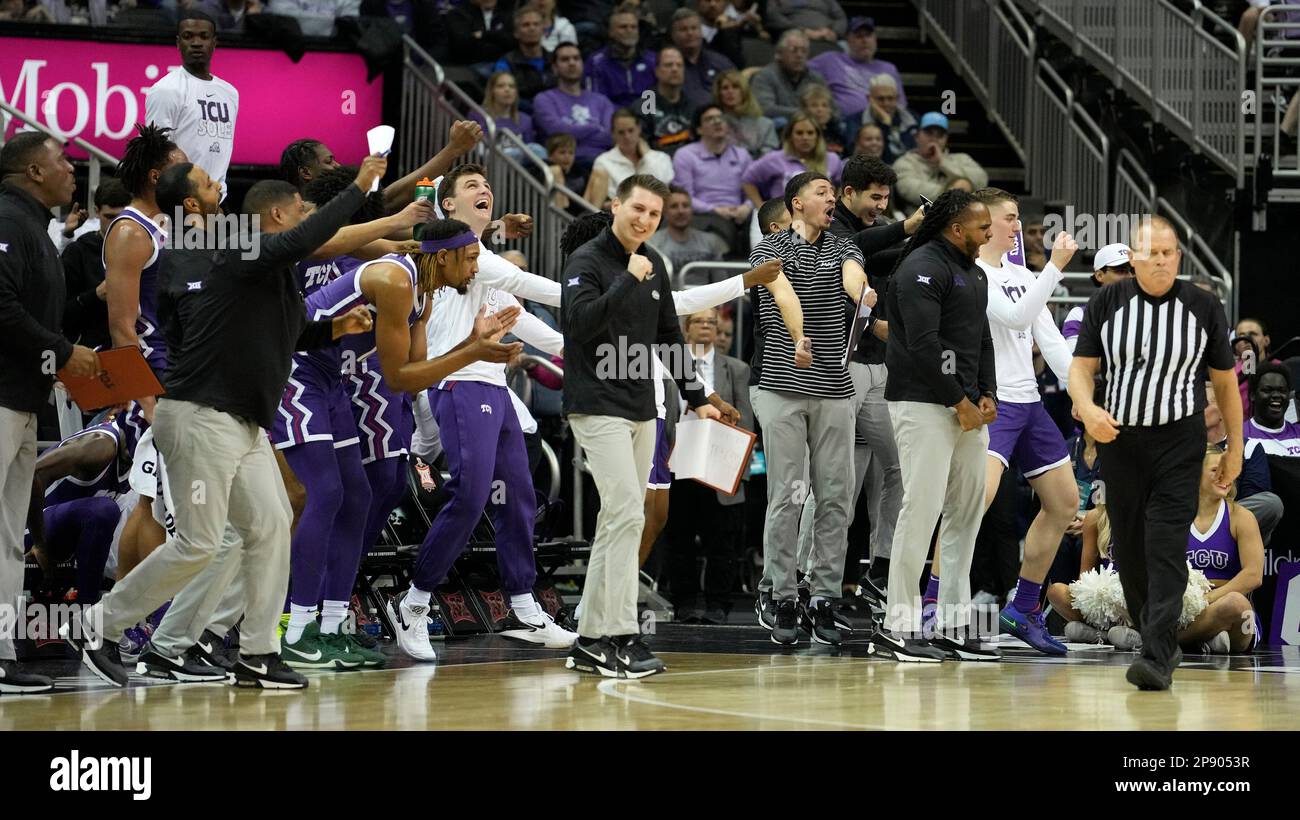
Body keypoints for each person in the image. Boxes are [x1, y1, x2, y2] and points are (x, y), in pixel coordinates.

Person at [389, 165, 581, 662]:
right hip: (452, 385)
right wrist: (595, 298)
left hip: (492, 388)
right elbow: (531, 285)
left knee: (518, 497)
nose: (486, 191)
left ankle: (522, 606)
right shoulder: (442, 250)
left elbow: (526, 322)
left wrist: (579, 350)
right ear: (447, 205)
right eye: (472, 186)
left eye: (487, 186)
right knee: (469, 497)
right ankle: (413, 603)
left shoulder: (483, 259)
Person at [1068, 215, 1242, 691]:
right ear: (1134, 257)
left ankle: (1158, 654)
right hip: (1119, 439)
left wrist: (1235, 446)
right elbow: (1081, 370)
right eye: (1151, 253)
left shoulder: (1204, 306)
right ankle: (1156, 634)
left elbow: (1225, 385)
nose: (1160, 260)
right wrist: (1088, 409)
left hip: (1179, 441)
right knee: (1127, 543)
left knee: (1164, 543)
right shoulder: (1107, 300)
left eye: (1168, 253)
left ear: (1178, 257)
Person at [560, 174, 721, 678]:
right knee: (628, 513)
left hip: (640, 406)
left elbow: (669, 335)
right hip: (595, 403)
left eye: (654, 213)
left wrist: (699, 398)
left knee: (620, 520)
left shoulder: (656, 267)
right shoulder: (586, 261)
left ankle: (590, 637)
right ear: (615, 205)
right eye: (639, 209)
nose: (646, 220)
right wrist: (627, 278)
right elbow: (578, 325)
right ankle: (619, 632)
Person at [923, 188, 1079, 659]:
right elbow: (1015, 315)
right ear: (984, 222)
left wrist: (1085, 398)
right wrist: (1054, 268)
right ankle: (932, 603)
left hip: (1029, 403)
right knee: (974, 503)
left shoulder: (1022, 275)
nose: (1017, 227)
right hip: (992, 403)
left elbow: (1048, 341)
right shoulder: (973, 274)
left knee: (1064, 502)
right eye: (1010, 219)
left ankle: (1023, 608)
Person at [750, 171, 873, 648]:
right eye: (821, 192)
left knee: (836, 496)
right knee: (787, 495)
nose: (830, 198)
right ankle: (779, 594)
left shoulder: (843, 245)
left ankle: (822, 596)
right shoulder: (770, 248)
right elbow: (783, 295)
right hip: (782, 385)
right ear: (796, 203)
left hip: (835, 389)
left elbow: (853, 278)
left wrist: (863, 295)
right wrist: (800, 337)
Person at [871, 189, 995, 663]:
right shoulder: (919, 266)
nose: (990, 235)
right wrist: (959, 401)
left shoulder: (975, 274)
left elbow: (982, 339)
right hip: (922, 404)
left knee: (966, 513)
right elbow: (922, 345)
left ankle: (951, 623)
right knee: (919, 512)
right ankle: (896, 626)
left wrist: (987, 393)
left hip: (965, 405)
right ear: (956, 228)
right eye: (983, 228)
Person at [0, 132, 101, 694]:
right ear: (33, 171)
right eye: (62, 160)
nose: (71, 168)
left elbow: (42, 317)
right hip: (2, 398)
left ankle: (3, 652)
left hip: (22, 402)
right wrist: (63, 353)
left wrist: (64, 347)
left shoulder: (34, 228)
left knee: (8, 535)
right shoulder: (9, 222)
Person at [1048, 447, 1264, 655]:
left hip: (1216, 606)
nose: (1224, 476)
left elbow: (1253, 575)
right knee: (1056, 591)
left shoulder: (1241, 518)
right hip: (1176, 608)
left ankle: (1138, 638)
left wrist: (1208, 596)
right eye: (1215, 470)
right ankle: (1196, 639)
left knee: (1237, 605)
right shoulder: (1171, 515)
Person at [279, 121, 485, 215]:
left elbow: (391, 201)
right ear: (306, 172)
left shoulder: (349, 211)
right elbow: (393, 199)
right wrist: (453, 149)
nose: (338, 165)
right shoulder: (299, 218)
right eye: (329, 161)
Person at [145, 11, 238, 200]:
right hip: (179, 200)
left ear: (214, 42)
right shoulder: (166, 89)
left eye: (204, 36)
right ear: (178, 43)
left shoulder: (230, 93)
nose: (196, 42)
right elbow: (155, 154)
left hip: (217, 199)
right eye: (188, 36)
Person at [670, 104, 753, 251]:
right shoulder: (685, 155)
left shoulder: (742, 155)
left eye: (720, 118)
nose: (717, 122)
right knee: (715, 230)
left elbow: (753, 191)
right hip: (703, 215)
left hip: (740, 214)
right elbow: (685, 197)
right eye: (709, 119)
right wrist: (715, 209)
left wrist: (746, 207)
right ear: (699, 129)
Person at [61, 178, 131, 351]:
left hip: (139, 347)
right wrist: (95, 295)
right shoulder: (78, 252)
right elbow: (61, 314)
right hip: (92, 351)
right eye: (110, 217)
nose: (117, 223)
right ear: (96, 211)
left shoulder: (148, 249)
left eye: (123, 217)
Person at [533, 43, 617, 174]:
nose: (572, 63)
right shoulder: (544, 99)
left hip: (603, 164)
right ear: (554, 68)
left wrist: (574, 134)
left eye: (576, 58)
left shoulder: (602, 101)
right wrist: (594, 127)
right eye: (565, 59)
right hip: (566, 166)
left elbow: (611, 136)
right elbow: (556, 132)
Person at [809, 16, 906, 127]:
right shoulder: (830, 60)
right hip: (845, 125)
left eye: (868, 36)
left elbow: (901, 105)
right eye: (859, 36)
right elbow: (799, 67)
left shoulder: (889, 68)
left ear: (875, 39)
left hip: (882, 125)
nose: (864, 41)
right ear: (848, 40)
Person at [892, 112, 989, 212]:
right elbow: (912, 191)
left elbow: (982, 180)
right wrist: (957, 189)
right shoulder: (904, 163)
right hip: (922, 220)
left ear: (946, 139)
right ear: (917, 136)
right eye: (929, 133)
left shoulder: (962, 158)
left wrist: (943, 162)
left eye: (940, 135)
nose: (934, 138)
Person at [741, 113, 842, 206]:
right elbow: (747, 180)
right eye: (799, 133)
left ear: (818, 136)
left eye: (810, 133)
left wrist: (835, 208)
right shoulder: (774, 158)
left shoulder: (832, 159)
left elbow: (842, 185)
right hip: (783, 220)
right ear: (790, 136)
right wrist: (760, 206)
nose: (805, 137)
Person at [585, 109, 675, 207]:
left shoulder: (661, 158)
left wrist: (647, 156)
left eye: (631, 130)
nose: (627, 136)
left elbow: (662, 189)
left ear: (639, 129)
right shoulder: (603, 161)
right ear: (613, 134)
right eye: (621, 132)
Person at [749, 30, 833, 128]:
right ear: (779, 54)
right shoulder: (765, 76)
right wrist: (806, 113)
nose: (799, 55)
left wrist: (825, 114)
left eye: (804, 51)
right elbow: (765, 108)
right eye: (794, 50)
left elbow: (833, 107)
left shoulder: (816, 78)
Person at [1060, 242, 1132, 352]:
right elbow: (1076, 362)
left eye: (1133, 271)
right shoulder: (1080, 315)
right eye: (1121, 271)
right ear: (1099, 275)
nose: (1129, 277)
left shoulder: (1151, 311)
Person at [586, 4, 657, 108]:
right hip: (611, 120)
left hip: (648, 117)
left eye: (633, 27)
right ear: (611, 32)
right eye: (623, 27)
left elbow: (660, 99)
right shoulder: (596, 63)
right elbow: (597, 103)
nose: (629, 31)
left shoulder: (653, 60)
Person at [670, 7, 736, 111]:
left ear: (701, 32)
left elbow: (739, 92)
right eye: (683, 29)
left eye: (694, 28)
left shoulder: (720, 62)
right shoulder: (667, 66)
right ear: (673, 35)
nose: (690, 33)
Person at [647, 186, 729, 269]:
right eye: (674, 206)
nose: (681, 211)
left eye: (685, 206)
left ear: (692, 210)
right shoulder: (653, 243)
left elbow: (720, 277)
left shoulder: (711, 242)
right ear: (664, 212)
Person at [639, 46, 697, 155]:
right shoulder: (647, 103)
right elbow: (641, 146)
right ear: (657, 71)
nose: (675, 69)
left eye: (679, 65)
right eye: (668, 65)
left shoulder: (693, 104)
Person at [491, 7, 556, 104]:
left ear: (543, 31)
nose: (532, 28)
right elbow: (503, 98)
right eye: (526, 25)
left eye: (536, 24)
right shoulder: (505, 64)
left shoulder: (555, 60)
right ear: (516, 33)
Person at [715, 70, 779, 157]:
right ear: (719, 93)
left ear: (744, 91)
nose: (730, 91)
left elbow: (769, 158)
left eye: (735, 87)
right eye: (725, 88)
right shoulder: (715, 124)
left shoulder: (766, 125)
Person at [861, 73, 917, 164]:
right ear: (869, 99)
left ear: (897, 98)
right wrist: (885, 125)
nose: (886, 103)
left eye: (890, 98)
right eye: (880, 99)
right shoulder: (855, 122)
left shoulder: (912, 120)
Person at [446, 0, 517, 65]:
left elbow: (512, 40)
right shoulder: (458, 14)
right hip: (471, 65)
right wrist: (497, 37)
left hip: (503, 62)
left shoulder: (506, 13)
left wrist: (483, 34)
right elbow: (462, 44)